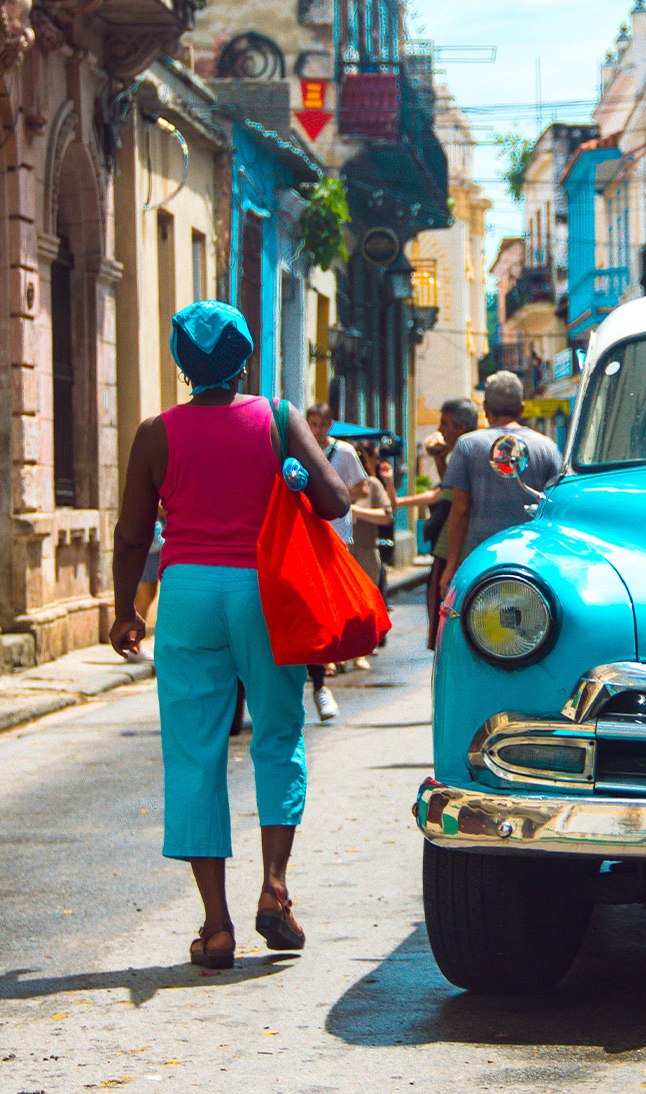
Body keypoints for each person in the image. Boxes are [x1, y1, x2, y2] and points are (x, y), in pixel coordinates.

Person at [109, 301, 351, 971]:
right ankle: (275, 887)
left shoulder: (155, 433)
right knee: (278, 735)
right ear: (244, 358)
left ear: (180, 362)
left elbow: (133, 536)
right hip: (264, 592)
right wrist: (293, 477)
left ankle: (216, 926)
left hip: (187, 597)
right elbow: (336, 502)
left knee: (194, 752)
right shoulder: (278, 418)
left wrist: (124, 609)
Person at [439, 372, 562, 590]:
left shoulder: (467, 445)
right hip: (532, 558)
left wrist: (450, 566)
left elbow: (460, 509)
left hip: (483, 559)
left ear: (485, 408)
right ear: (521, 409)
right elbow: (555, 507)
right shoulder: (548, 447)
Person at [303, 403, 367, 718]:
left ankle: (333, 651)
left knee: (333, 595)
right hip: (307, 534)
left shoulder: (345, 453)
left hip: (337, 532)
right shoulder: (298, 452)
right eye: (310, 424)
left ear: (330, 424)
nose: (316, 430)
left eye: (320, 424)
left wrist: (334, 494)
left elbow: (362, 488)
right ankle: (323, 655)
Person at [397, 397, 478, 648]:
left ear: (461, 426)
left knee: (443, 615)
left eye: (445, 423)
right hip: (472, 547)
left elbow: (452, 496)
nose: (440, 429)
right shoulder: (472, 450)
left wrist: (399, 503)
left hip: (451, 548)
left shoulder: (464, 450)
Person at [344, 440, 396, 671]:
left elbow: (386, 516)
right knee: (342, 603)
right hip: (342, 550)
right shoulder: (337, 483)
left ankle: (360, 652)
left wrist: (356, 510)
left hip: (365, 550)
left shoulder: (372, 485)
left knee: (363, 605)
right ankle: (336, 657)